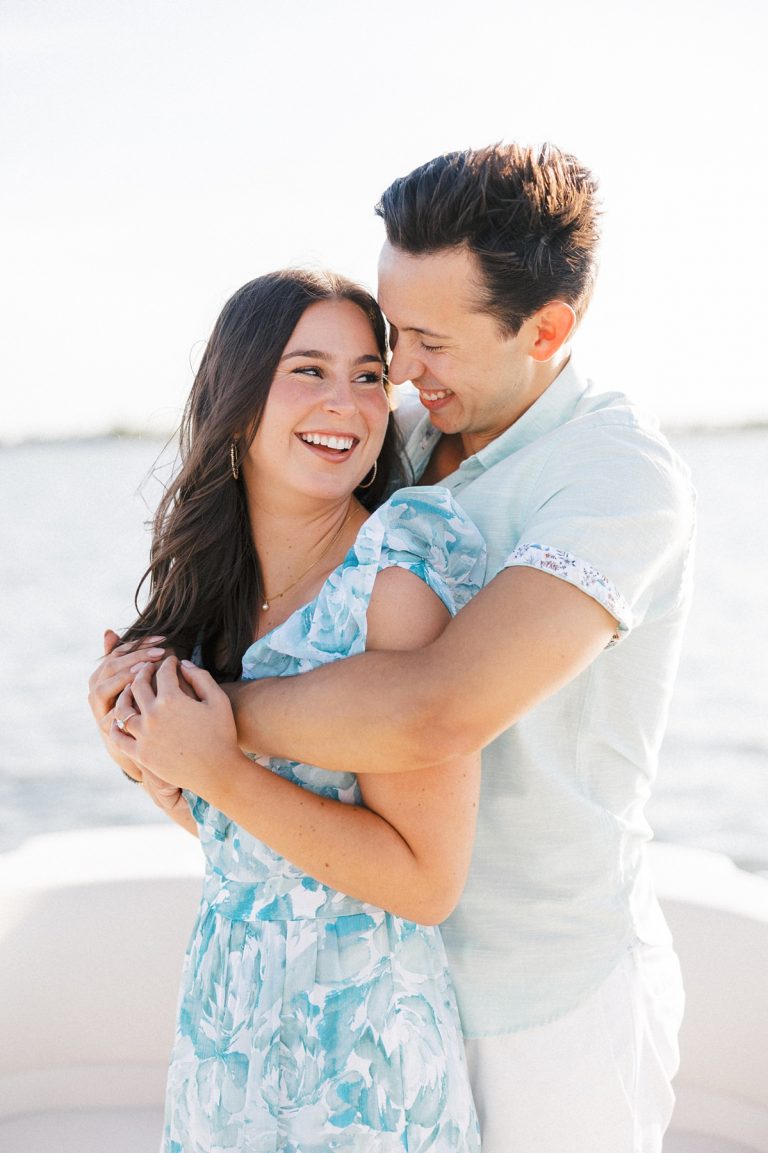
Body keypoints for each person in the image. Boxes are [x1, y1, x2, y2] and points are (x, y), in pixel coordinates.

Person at [203, 145, 697, 1153]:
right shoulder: (413, 440)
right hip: (382, 986)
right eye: (394, 329)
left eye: (429, 339)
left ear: (547, 328)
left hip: (546, 1005)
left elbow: (436, 708)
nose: (400, 370)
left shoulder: (615, 478)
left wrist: (210, 721)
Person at [88, 269, 485, 1152]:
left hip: (359, 1071)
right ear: (237, 401)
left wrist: (216, 765)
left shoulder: (396, 576)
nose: (345, 401)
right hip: (224, 1043)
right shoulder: (219, 579)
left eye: (369, 374)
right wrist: (138, 738)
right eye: (308, 370)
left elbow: (426, 882)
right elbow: (247, 841)